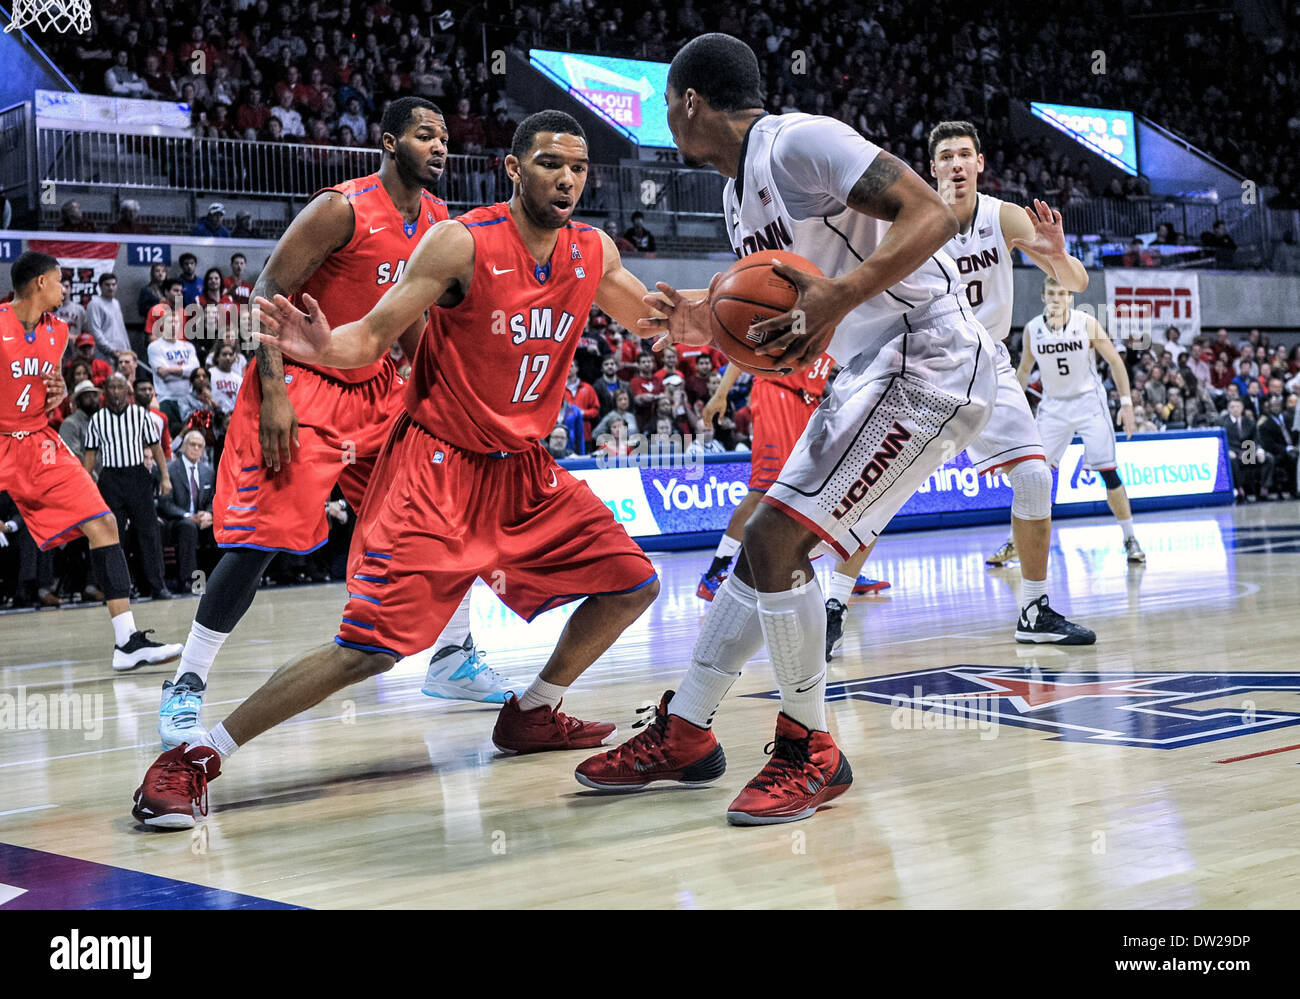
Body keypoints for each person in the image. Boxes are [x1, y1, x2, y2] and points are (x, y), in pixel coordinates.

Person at [131, 109, 665, 830]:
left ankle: (531, 711)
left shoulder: (589, 251)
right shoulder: (446, 238)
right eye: (548, 163)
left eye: (577, 167)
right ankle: (194, 753)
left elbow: (661, 321)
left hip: (523, 472)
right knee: (366, 649)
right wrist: (306, 355)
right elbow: (367, 338)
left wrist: (760, 313)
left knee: (633, 581)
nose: (566, 178)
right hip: (437, 464)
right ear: (513, 169)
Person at [575, 35, 997, 825]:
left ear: (689, 102)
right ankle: (688, 729)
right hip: (870, 365)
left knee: (775, 540)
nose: (667, 117)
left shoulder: (800, 140)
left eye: (667, 103)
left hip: (928, 356)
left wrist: (839, 297)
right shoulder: (739, 197)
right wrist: (699, 316)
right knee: (759, 549)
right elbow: (770, 301)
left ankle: (813, 750)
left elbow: (931, 214)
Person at [144, 98, 512, 758]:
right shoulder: (341, 207)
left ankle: (453, 657)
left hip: (376, 389)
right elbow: (265, 292)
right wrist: (276, 391)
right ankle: (186, 682)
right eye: (425, 134)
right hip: (304, 383)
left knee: (441, 513)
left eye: (446, 137)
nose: (439, 146)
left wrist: (443, 397)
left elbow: (413, 323)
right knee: (260, 543)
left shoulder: (436, 222)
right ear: (388, 139)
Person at [0, 253, 182, 668]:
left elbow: (48, 387)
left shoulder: (59, 330)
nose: (66, 289)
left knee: (103, 523)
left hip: (39, 443)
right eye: (61, 281)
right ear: (40, 283)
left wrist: (59, 390)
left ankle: (126, 643)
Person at [1018, 277, 1146, 562]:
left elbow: (1115, 361)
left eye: (1062, 293)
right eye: (1051, 292)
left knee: (1108, 472)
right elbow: (1025, 370)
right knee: (1033, 476)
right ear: (1043, 297)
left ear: (1069, 298)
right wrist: (1012, 407)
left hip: (1089, 403)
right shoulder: (1032, 330)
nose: (1056, 298)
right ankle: (1017, 543)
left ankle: (1130, 538)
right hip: (1052, 407)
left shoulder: (1086, 323)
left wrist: (1126, 405)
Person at [84, 373, 175, 600]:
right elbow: (90, 456)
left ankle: (157, 585)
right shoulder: (97, 419)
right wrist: (87, 485)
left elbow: (156, 448)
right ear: (105, 391)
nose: (116, 392)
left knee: (149, 532)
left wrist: (165, 476)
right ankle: (116, 590)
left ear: (127, 391)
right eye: (112, 387)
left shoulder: (140, 415)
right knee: (113, 536)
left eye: (119, 387)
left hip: (137, 476)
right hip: (111, 479)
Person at [158, 430, 217, 592]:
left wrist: (209, 514)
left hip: (200, 520)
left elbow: (214, 498)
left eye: (200, 446)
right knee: (188, 528)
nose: (196, 448)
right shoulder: (169, 470)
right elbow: (165, 504)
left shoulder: (208, 472)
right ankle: (190, 580)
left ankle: (215, 581)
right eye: (192, 444)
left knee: (217, 527)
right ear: (184, 446)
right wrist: (187, 516)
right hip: (176, 522)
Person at [1257, 395, 1296, 498]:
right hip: (1278, 453)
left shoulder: (1289, 419)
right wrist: (1287, 449)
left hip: (1293, 448)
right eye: (1273, 405)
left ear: (1282, 406)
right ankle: (1293, 490)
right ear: (1268, 408)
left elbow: (1296, 434)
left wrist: (1295, 446)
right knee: (1292, 458)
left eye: (1277, 405)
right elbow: (1269, 445)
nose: (1275, 407)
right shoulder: (1265, 425)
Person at [87, 273, 131, 361]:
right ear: (100, 286)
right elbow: (95, 331)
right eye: (107, 285)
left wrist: (128, 350)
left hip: (122, 354)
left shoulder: (116, 303)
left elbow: (121, 330)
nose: (111, 288)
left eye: (113, 285)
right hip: (105, 355)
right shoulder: (94, 304)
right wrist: (110, 350)